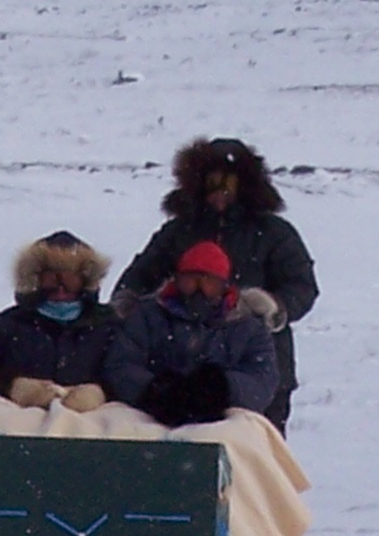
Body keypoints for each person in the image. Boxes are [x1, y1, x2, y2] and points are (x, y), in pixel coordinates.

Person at [111, 137, 317, 433]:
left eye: (228, 186)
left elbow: (302, 285)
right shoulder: (180, 230)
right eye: (211, 185)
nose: (219, 194)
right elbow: (141, 275)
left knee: (259, 452)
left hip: (260, 361)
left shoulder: (273, 233)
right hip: (177, 366)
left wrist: (270, 307)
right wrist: (130, 307)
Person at [103, 241, 280, 427]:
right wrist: (154, 390)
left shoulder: (248, 326)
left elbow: (262, 380)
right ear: (177, 280)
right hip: (148, 414)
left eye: (208, 281)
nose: (199, 289)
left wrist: (221, 387)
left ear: (224, 285)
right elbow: (121, 363)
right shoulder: (148, 315)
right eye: (191, 280)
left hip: (225, 419)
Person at [0, 230, 120, 411]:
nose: (61, 289)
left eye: (70, 279)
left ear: (86, 282)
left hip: (92, 424)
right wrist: (14, 389)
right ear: (34, 281)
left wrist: (98, 393)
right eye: (51, 279)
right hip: (17, 421)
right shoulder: (1, 329)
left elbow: (128, 378)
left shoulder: (109, 329)